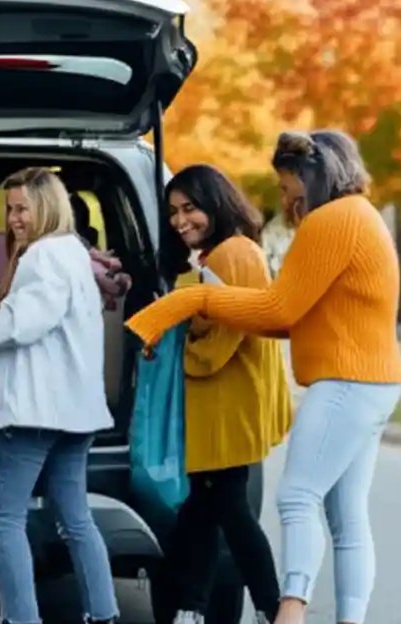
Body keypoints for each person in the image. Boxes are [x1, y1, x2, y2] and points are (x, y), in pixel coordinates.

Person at [125, 131, 401, 624]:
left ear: (313, 175)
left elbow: (279, 307)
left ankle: (287, 612)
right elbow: (285, 319)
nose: (285, 200)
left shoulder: (332, 220)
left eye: (287, 186)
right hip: (373, 381)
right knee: (346, 519)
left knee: (296, 497)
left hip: (345, 381)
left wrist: (192, 299)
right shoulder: (360, 216)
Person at [0, 167, 119, 624]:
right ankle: (104, 614)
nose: (14, 219)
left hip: (33, 413)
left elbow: (20, 324)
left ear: (47, 207)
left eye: (22, 209)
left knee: (3, 521)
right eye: (10, 210)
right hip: (76, 415)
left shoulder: (43, 256)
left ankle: (21, 619)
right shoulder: (76, 254)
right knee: (76, 521)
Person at [158, 164, 291, 624]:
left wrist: (174, 355)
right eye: (173, 211)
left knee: (230, 514)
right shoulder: (231, 253)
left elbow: (217, 346)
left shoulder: (231, 256)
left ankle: (273, 608)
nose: (180, 221)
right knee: (202, 513)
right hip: (227, 406)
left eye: (189, 208)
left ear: (214, 202)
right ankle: (189, 608)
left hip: (227, 406)